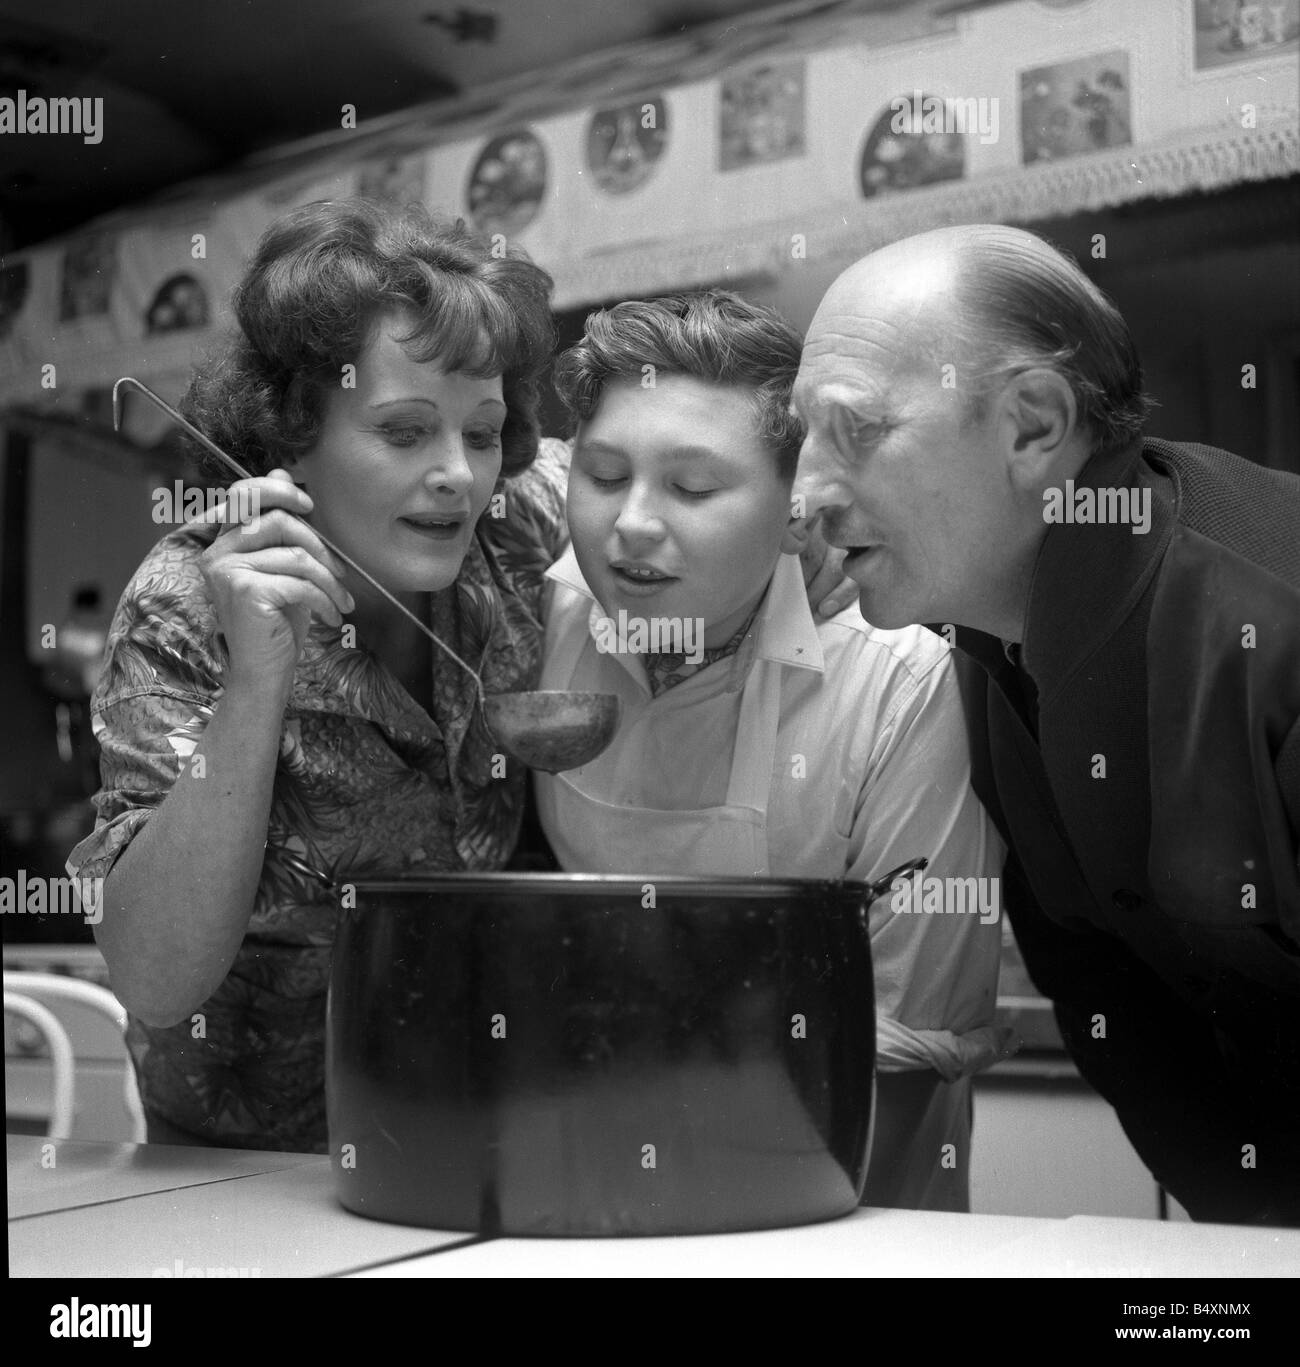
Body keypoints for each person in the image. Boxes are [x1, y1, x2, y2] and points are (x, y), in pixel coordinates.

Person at [791, 223, 1300, 1225]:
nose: (805, 494)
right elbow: (1105, 991)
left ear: (1030, 426)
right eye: (798, 438)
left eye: (853, 430)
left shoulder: (1265, 625)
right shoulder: (990, 652)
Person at [66, 198, 569, 1151]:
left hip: (466, 1126)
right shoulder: (182, 607)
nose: (458, 474)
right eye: (404, 431)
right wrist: (257, 684)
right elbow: (156, 977)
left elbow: (659, 477)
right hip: (248, 1166)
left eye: (482, 430)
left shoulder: (513, 523)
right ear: (294, 432)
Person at [534, 290, 1010, 1211]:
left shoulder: (900, 689)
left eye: (693, 487)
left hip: (854, 1207)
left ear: (798, 511)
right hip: (603, 1188)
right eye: (602, 474)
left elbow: (907, 1052)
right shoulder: (546, 620)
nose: (630, 522)